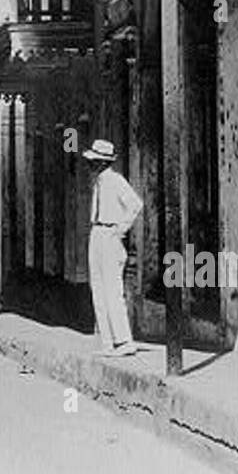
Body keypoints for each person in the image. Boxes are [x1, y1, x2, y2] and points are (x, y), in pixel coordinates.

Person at [83, 139, 142, 357]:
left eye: (94, 161)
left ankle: (124, 341)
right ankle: (107, 341)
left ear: (102, 162)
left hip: (109, 234)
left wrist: (120, 230)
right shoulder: (98, 182)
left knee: (112, 290)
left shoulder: (116, 181)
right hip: (97, 233)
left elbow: (135, 204)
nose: (90, 165)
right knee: (97, 289)